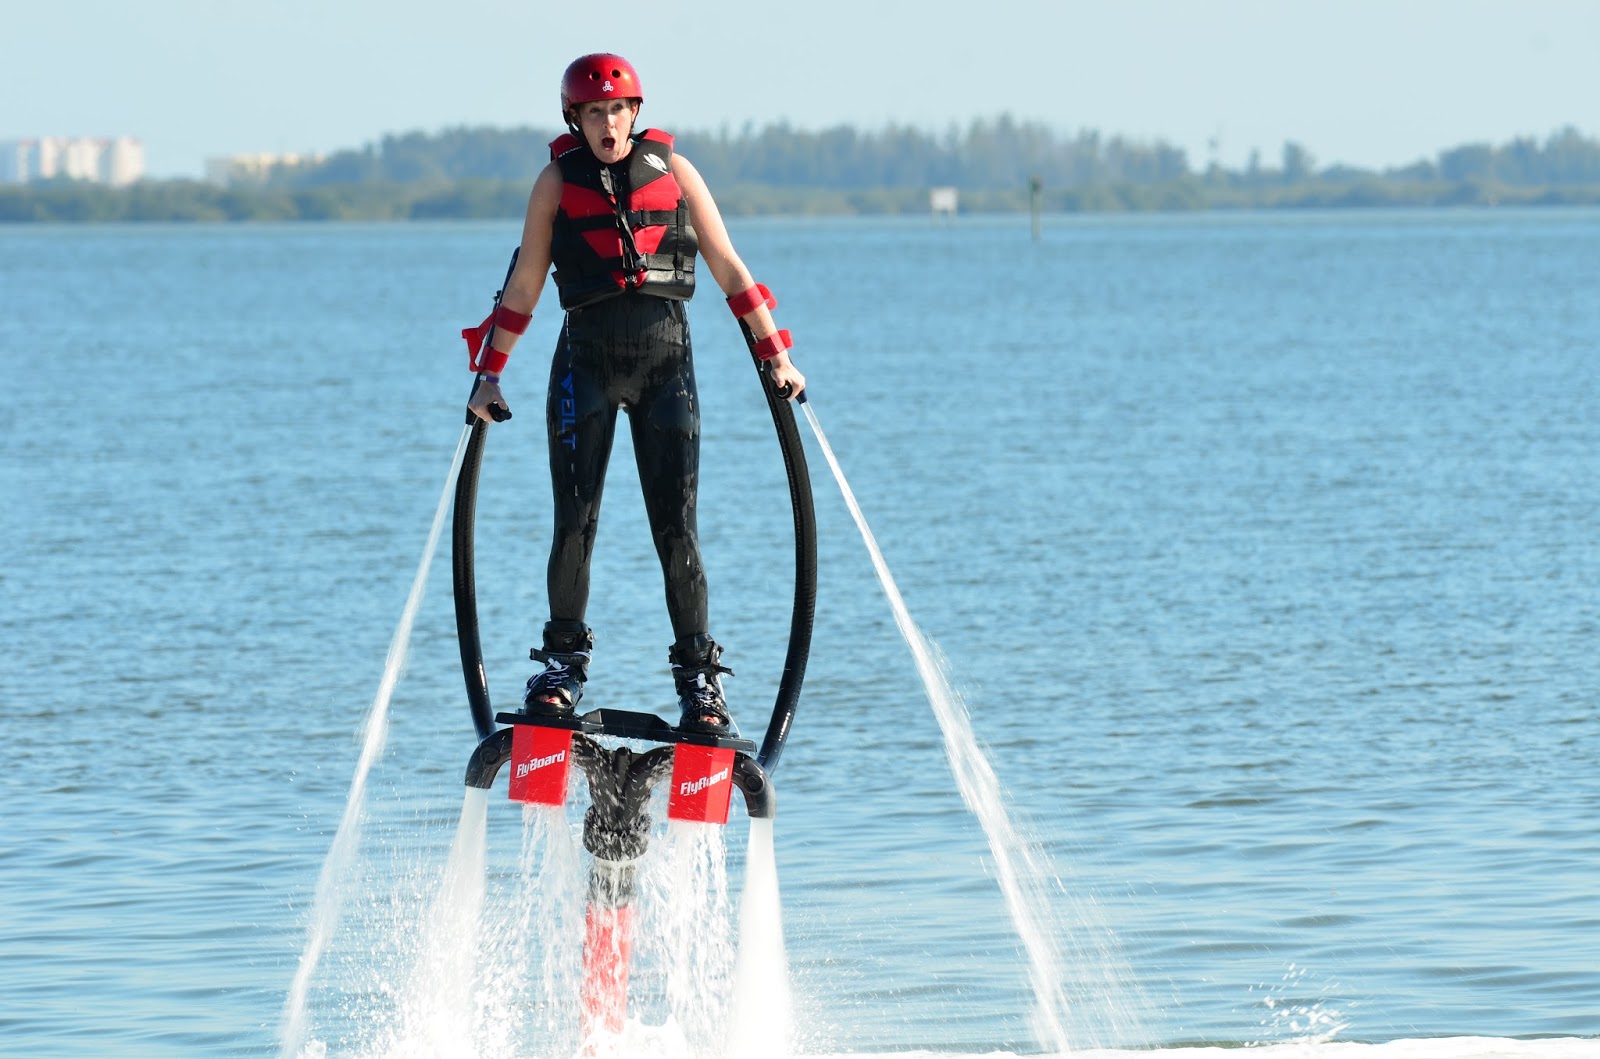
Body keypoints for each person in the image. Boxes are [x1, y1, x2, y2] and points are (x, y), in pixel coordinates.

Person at [465, 53, 804, 737]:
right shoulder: (555, 184)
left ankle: (700, 685)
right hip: (584, 363)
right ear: (576, 120)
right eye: (594, 112)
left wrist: (778, 356)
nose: (608, 122)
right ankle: (560, 670)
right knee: (574, 522)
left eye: (618, 110)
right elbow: (526, 285)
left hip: (665, 365)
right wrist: (491, 373)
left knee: (677, 528)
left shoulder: (675, 173)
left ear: (636, 114)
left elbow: (729, 266)